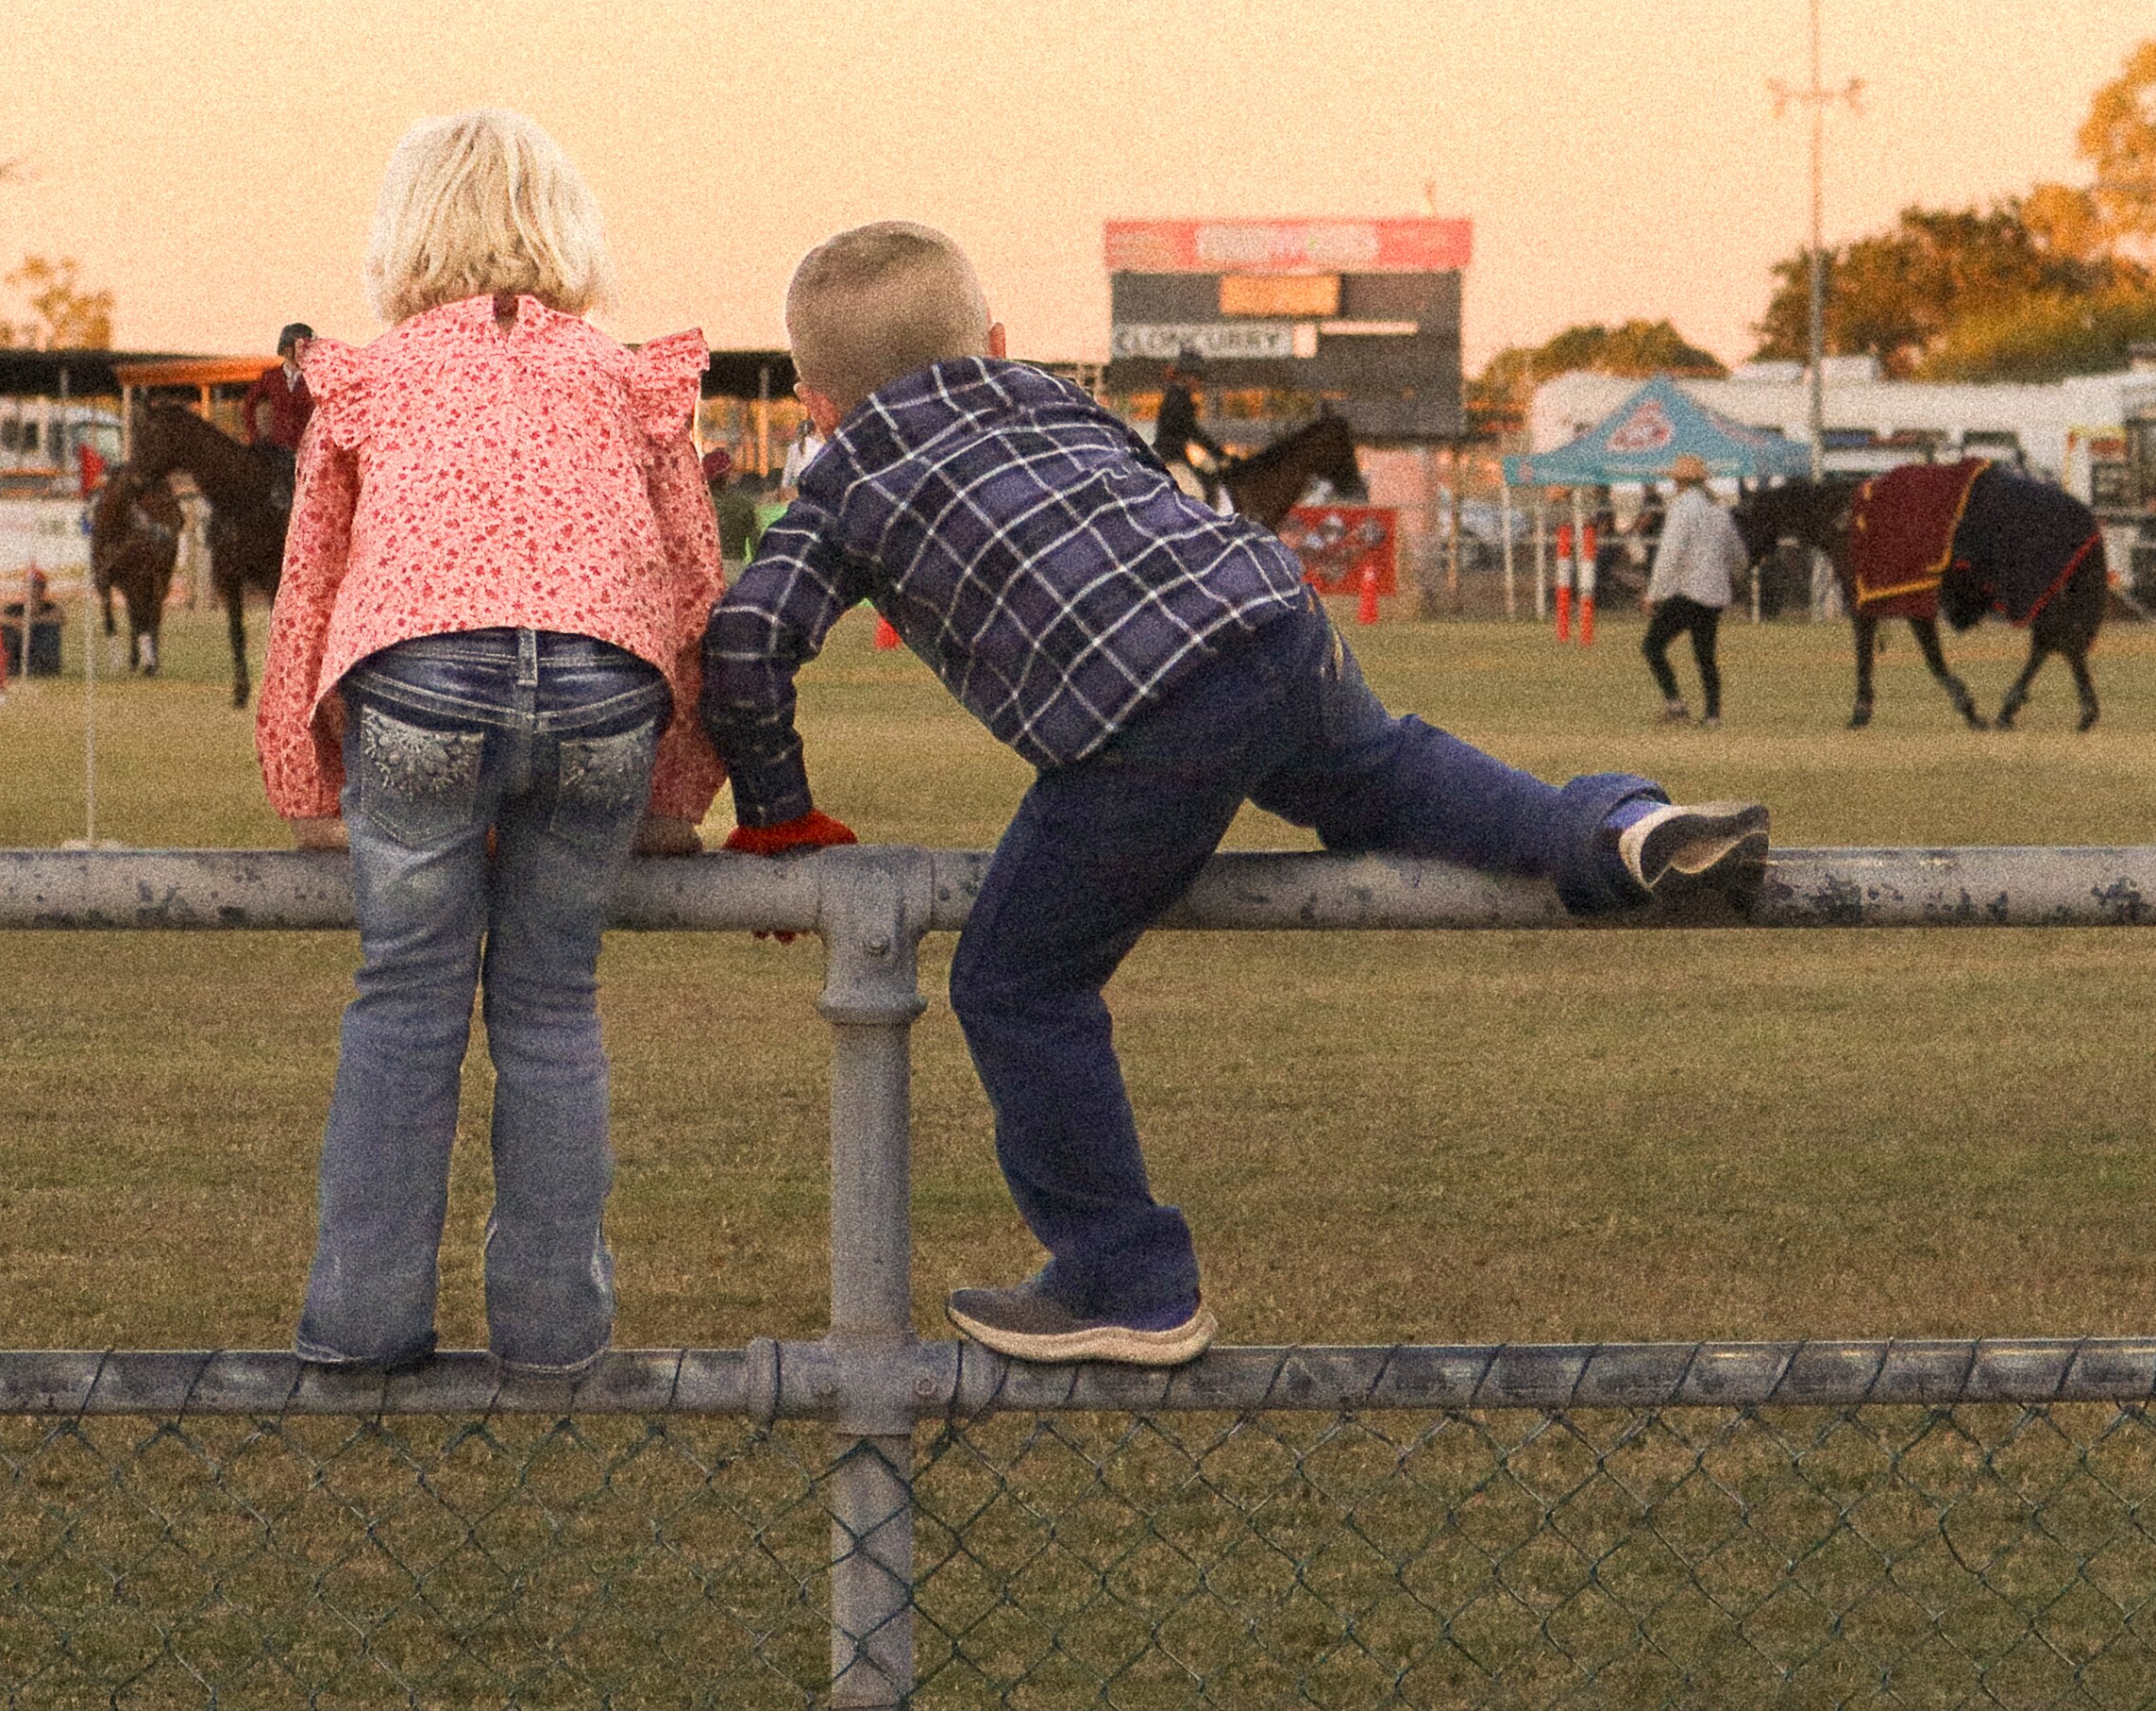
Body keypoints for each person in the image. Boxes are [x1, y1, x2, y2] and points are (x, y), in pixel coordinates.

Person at [702, 222, 1765, 1369]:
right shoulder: (1044, 397)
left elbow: (749, 636)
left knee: (1014, 980)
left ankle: (1125, 1278)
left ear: (813, 403)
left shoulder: (847, 472)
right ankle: (1615, 827)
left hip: (1135, 712)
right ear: (998, 341)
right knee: (1390, 771)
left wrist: (777, 811)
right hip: (1267, 617)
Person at [254, 109, 730, 1377]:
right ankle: (552, 1334)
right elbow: (697, 587)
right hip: (603, 683)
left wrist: (304, 777)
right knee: (553, 1007)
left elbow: (310, 583)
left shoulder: (372, 376)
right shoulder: (626, 378)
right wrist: (678, 789)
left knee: (405, 1000)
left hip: (418, 667)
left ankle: (361, 1324)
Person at [1642, 459, 1747, 724]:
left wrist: (1654, 592)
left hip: (1688, 590)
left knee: (1652, 646)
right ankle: (1712, 714)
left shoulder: (1682, 508)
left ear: (1680, 482)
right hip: (1715, 593)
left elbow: (1670, 553)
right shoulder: (1718, 509)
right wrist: (1739, 573)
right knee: (1705, 655)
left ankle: (1676, 705)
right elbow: (1737, 553)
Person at [248, 322, 319, 530]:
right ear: (288, 349)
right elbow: (248, 405)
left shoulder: (314, 377)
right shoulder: (270, 377)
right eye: (302, 347)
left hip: (308, 449)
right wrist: (254, 435)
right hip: (277, 448)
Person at [1149, 360, 1226, 493]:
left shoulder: (1176, 395)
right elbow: (1192, 431)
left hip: (1170, 453)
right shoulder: (1179, 398)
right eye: (1198, 377)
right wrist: (1219, 454)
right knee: (1196, 493)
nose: (1200, 383)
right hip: (1172, 456)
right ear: (1186, 376)